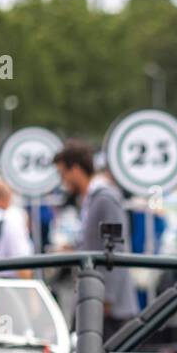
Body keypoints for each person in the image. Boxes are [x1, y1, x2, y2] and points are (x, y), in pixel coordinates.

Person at [53, 140, 137, 337]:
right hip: (95, 299)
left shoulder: (104, 198)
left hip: (108, 307)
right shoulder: (93, 198)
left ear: (74, 169)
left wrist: (107, 299)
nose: (62, 180)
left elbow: (116, 246)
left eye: (62, 173)